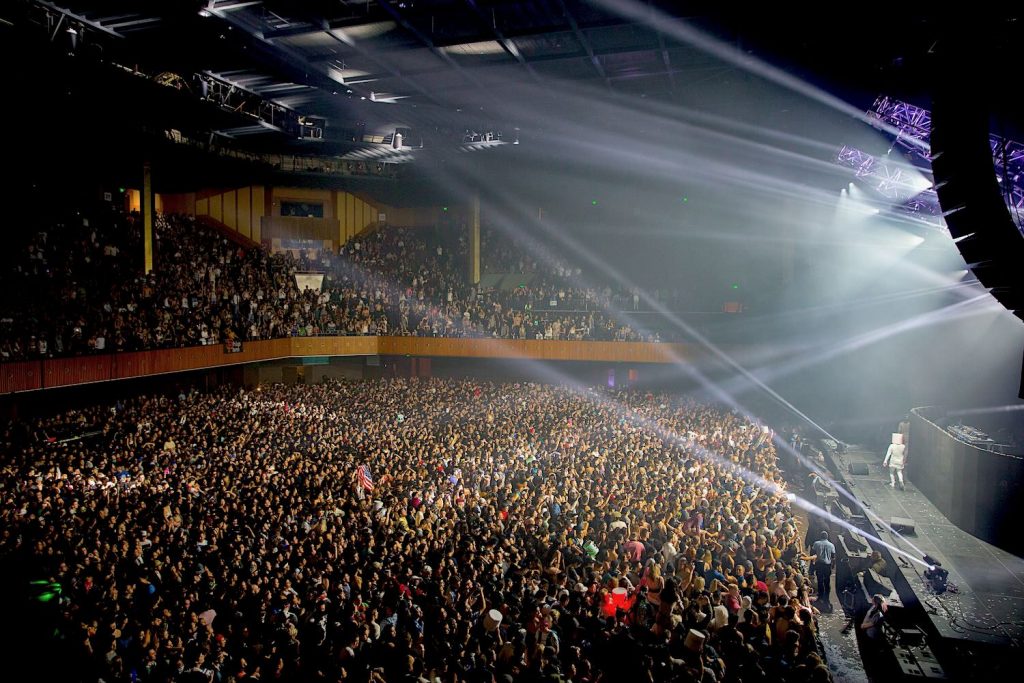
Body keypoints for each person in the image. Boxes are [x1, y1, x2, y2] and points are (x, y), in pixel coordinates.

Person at [808, 531, 836, 609]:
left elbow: (813, 554)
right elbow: (833, 557)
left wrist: (812, 566)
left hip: (819, 564)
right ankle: (826, 598)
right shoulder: (831, 545)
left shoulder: (816, 543)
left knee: (820, 580)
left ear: (820, 536)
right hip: (827, 565)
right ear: (827, 537)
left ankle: (820, 597)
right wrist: (832, 566)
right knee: (827, 581)